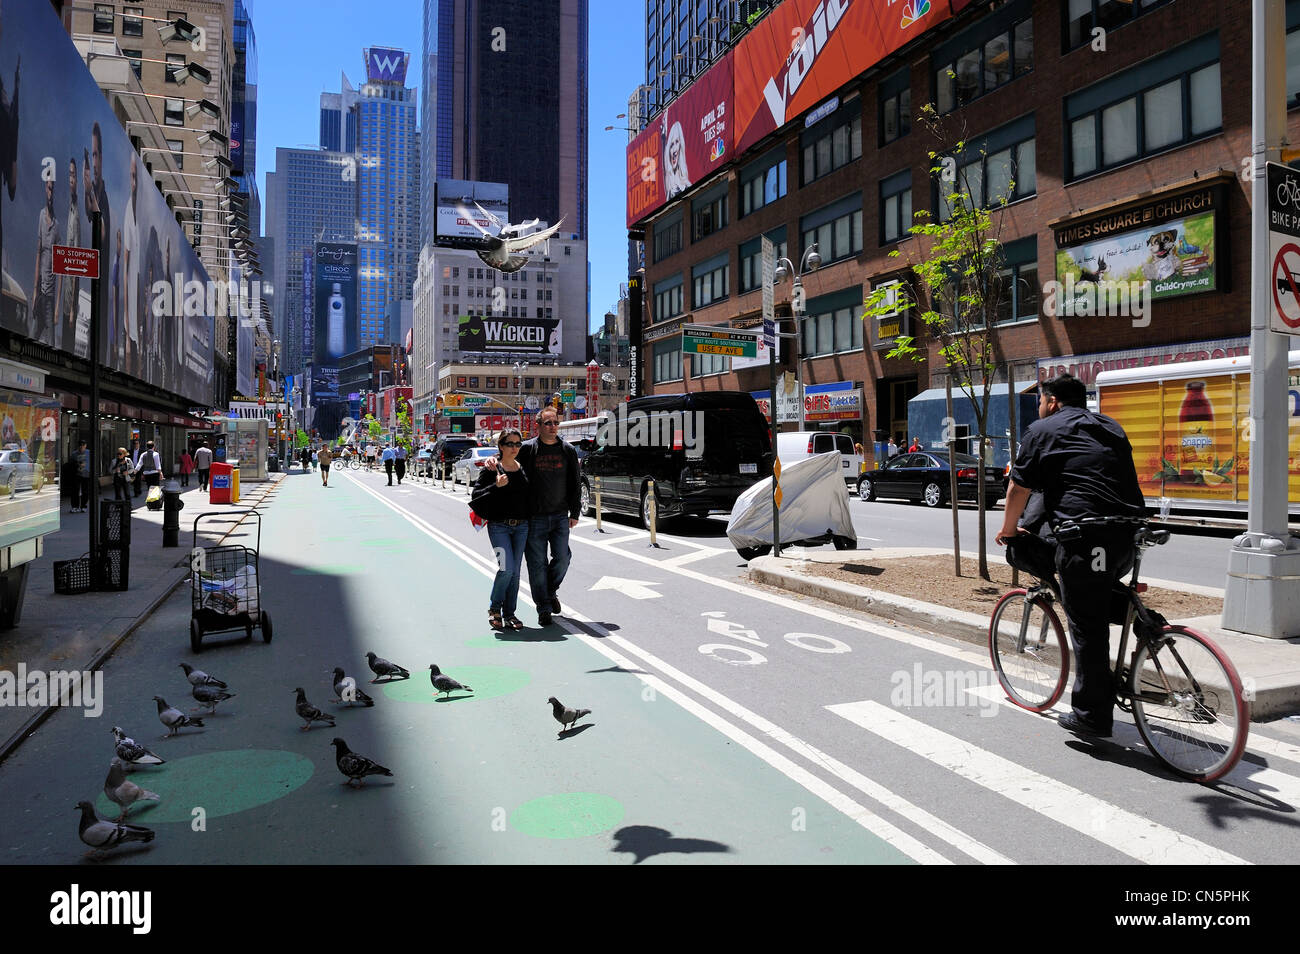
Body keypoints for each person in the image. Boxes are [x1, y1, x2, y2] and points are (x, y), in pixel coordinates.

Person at [995, 374, 1146, 738]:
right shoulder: (1111, 426)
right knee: (1093, 589)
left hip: (1088, 538)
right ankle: (1146, 622)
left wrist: (1008, 529)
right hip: (1128, 534)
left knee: (1087, 625)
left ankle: (1091, 716)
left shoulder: (1043, 430)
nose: (1040, 409)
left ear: (1053, 402)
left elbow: (1018, 487)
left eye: (1041, 402)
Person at [489, 405, 580, 627]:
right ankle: (544, 608)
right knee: (536, 564)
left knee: (563, 558)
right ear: (537, 425)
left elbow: (575, 482)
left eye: (555, 422)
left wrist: (575, 512)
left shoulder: (567, 450)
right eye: (548, 423)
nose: (552, 427)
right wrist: (491, 461)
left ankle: (550, 591)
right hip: (534, 517)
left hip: (560, 515)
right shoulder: (529, 448)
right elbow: (507, 456)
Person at [471, 429, 531, 630]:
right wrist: (496, 486)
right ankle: (495, 608)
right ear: (501, 447)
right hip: (499, 526)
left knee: (515, 572)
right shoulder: (492, 469)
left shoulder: (523, 467)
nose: (514, 448)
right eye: (510, 444)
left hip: (522, 526)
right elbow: (476, 496)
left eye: (518, 444)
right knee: (506, 569)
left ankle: (510, 613)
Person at [58, 156, 81, 354]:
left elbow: (76, 266)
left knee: (66, 348)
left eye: (73, 175)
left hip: (68, 306)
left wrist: (72, 308)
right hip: (62, 302)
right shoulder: (67, 209)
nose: (70, 179)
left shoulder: (76, 216)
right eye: (69, 175)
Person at [31, 177, 56, 347]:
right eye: (48, 188)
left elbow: (61, 267)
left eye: (52, 189)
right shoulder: (40, 216)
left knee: (51, 342)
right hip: (40, 292)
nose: (50, 192)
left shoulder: (57, 226)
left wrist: (57, 307)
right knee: (32, 335)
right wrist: (34, 291)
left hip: (50, 295)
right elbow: (38, 252)